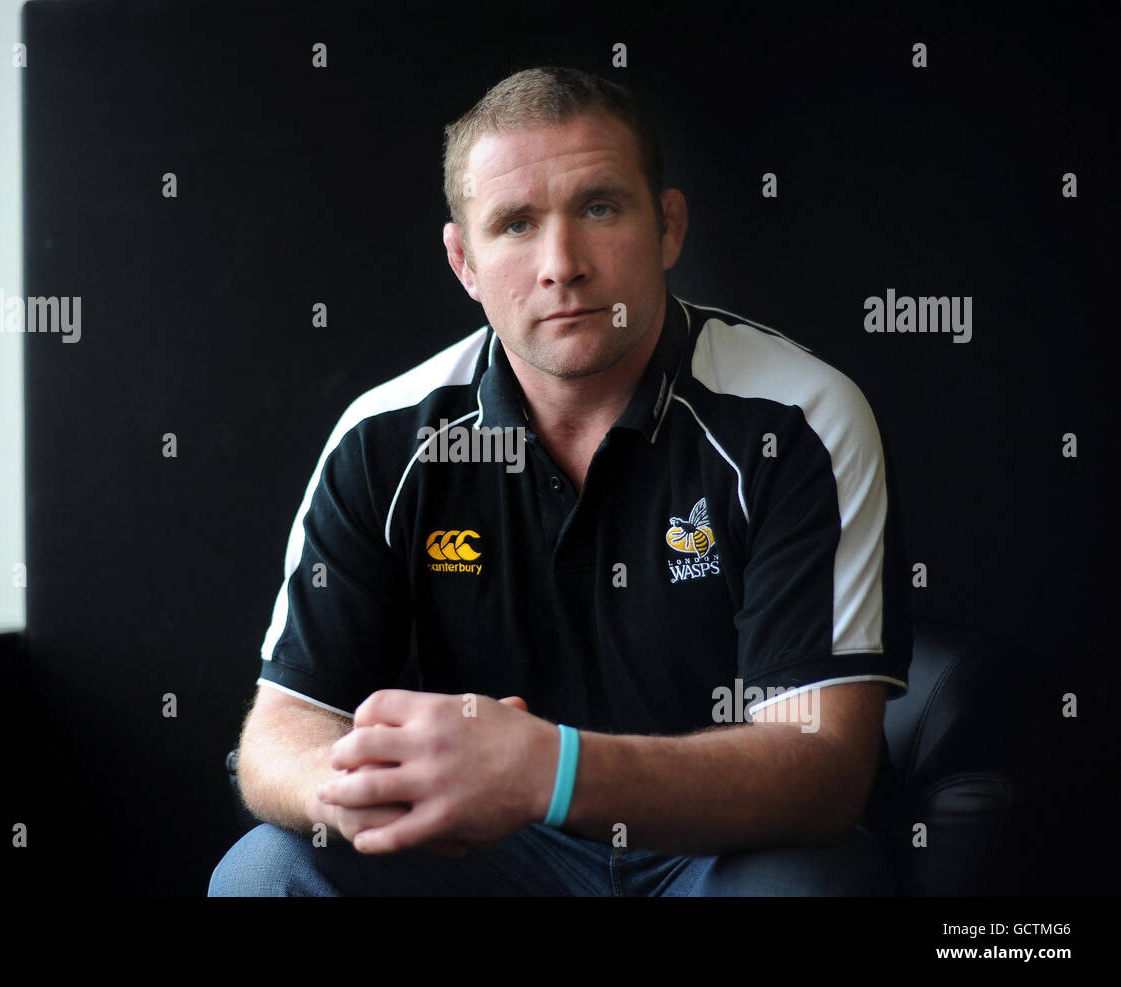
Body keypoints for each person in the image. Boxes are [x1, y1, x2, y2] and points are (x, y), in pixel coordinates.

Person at [209, 66, 912, 896]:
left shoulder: (798, 417)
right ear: (464, 261)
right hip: (490, 848)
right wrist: (372, 788)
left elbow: (825, 766)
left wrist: (555, 769)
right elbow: (279, 732)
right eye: (514, 224)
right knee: (266, 871)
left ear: (670, 227)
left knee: (803, 887)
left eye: (599, 207)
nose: (562, 265)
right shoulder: (384, 437)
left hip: (718, 849)